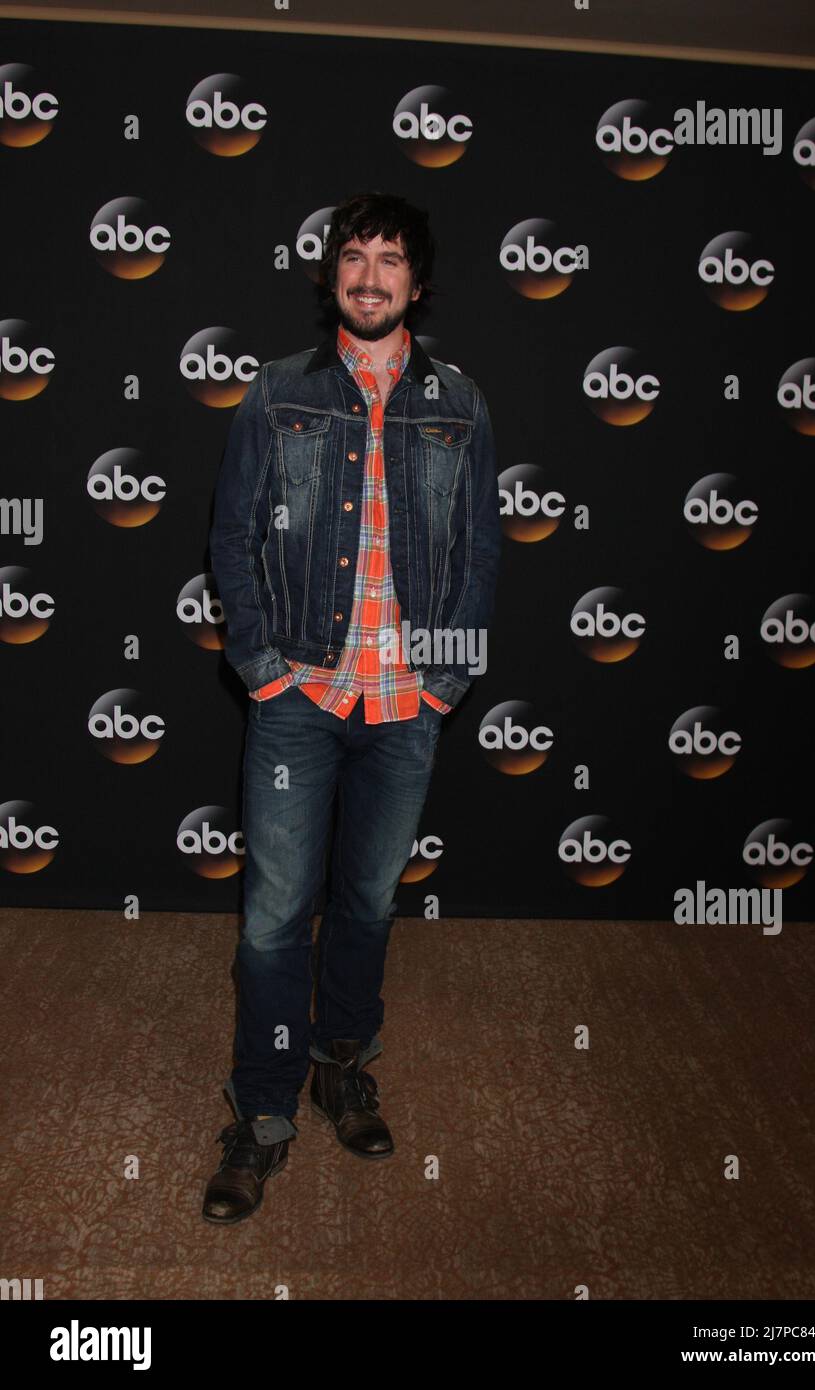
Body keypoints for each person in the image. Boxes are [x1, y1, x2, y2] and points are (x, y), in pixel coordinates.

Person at [203, 190, 501, 1223]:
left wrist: (442, 683)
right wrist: (262, 666)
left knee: (369, 903)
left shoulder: (460, 404)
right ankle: (263, 1112)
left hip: (403, 708)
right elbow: (231, 540)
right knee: (277, 915)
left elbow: (476, 556)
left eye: (388, 261)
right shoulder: (274, 393)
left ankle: (343, 1065)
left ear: (416, 284)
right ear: (330, 276)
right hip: (299, 698)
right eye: (352, 258)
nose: (368, 276)